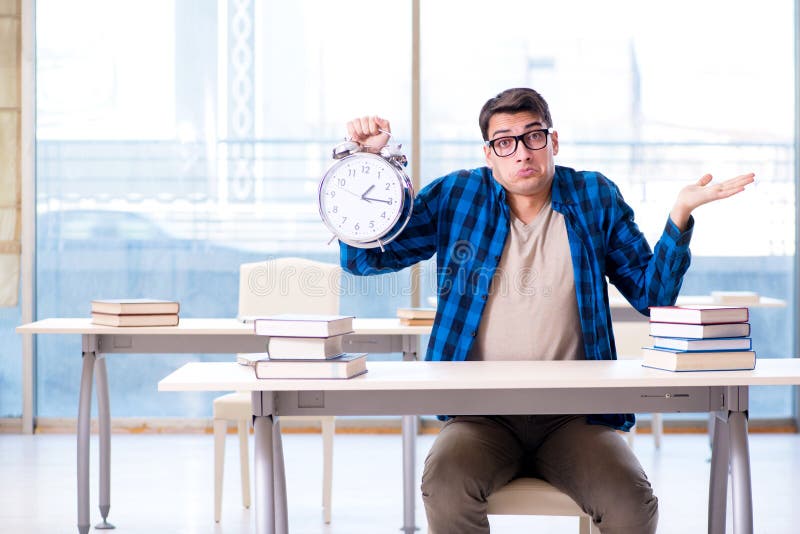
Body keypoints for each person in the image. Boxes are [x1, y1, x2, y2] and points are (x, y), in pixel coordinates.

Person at [339, 87, 754, 534]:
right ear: (490, 154)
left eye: (533, 136)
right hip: (481, 415)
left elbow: (653, 298)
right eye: (505, 142)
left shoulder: (594, 196)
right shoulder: (457, 197)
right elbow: (365, 259)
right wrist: (366, 165)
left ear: (553, 142)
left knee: (632, 503)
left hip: (575, 415)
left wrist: (680, 216)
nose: (521, 152)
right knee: (445, 484)